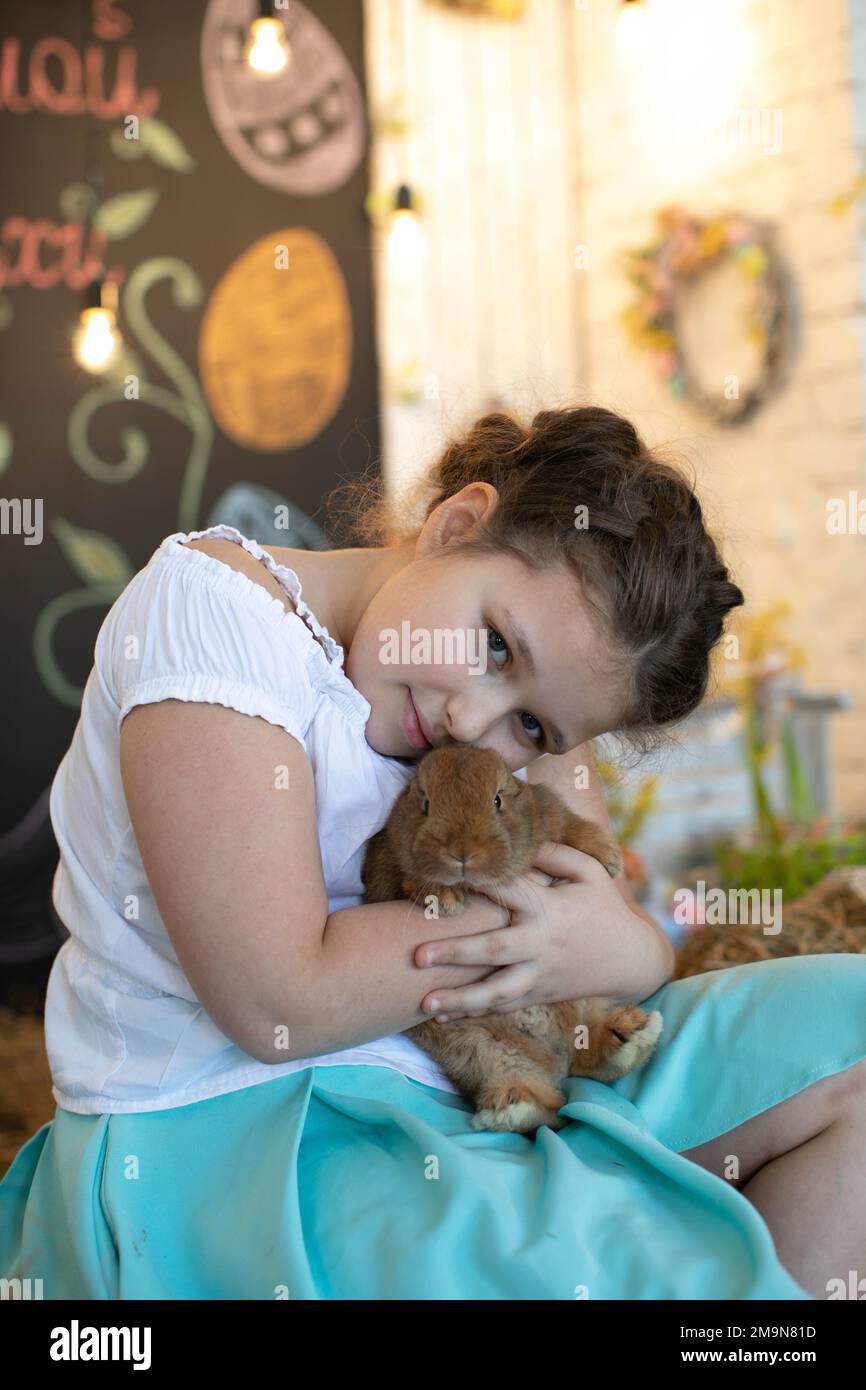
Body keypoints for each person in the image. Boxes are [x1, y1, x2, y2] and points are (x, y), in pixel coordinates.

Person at [2, 406, 865, 1300]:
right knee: (572, 1261)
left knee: (852, 1028)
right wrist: (563, 934)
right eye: (494, 644)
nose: (471, 719)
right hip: (255, 1131)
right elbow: (279, 1001)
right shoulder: (214, 616)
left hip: (492, 1077)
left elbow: (614, 930)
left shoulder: (528, 686)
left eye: (533, 723)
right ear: (456, 525)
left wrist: (633, 947)